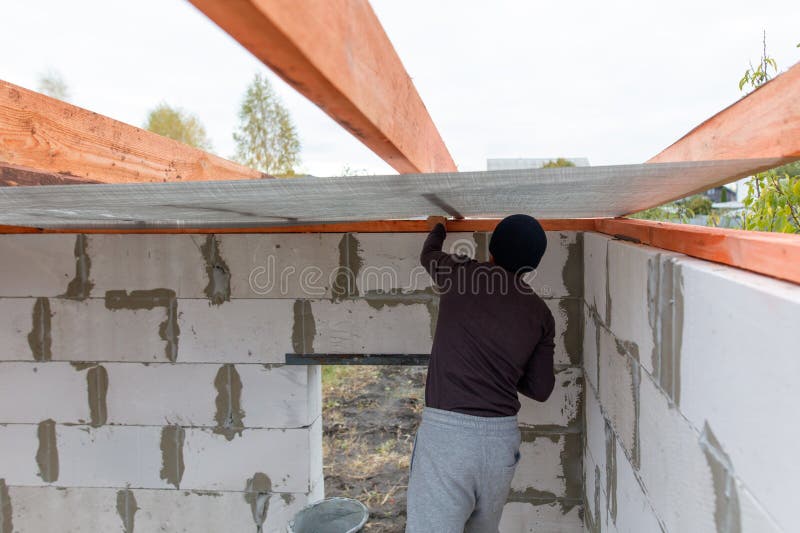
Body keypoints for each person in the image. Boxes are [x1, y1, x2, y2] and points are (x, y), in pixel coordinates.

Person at [405, 214, 556, 533]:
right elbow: (541, 388)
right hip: (500, 443)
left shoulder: (462, 273)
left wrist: (439, 226)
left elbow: (428, 254)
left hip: (449, 438)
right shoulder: (540, 313)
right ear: (532, 267)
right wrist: (504, 366)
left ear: (492, 250)